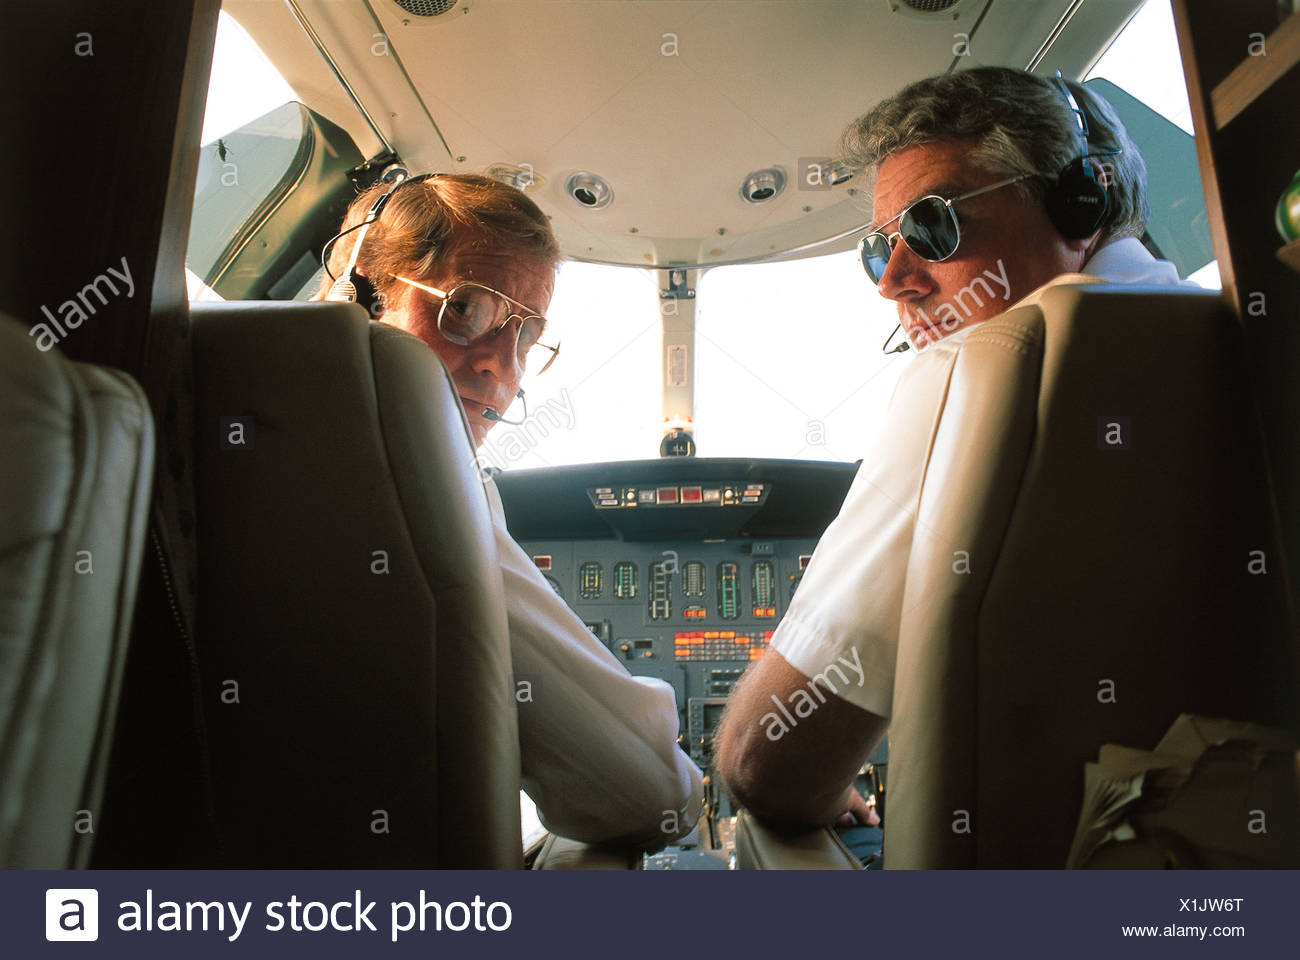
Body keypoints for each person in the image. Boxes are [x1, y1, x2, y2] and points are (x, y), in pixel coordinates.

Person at [715, 67, 1191, 829]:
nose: (893, 281)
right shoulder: (1247, 337)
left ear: (1080, 203)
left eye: (933, 226)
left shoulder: (978, 369)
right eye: (879, 250)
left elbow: (767, 764)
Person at [320, 172, 702, 850]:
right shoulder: (415, 469)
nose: (500, 364)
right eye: (467, 309)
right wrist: (707, 783)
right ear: (364, 296)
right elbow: (645, 796)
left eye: (526, 335)